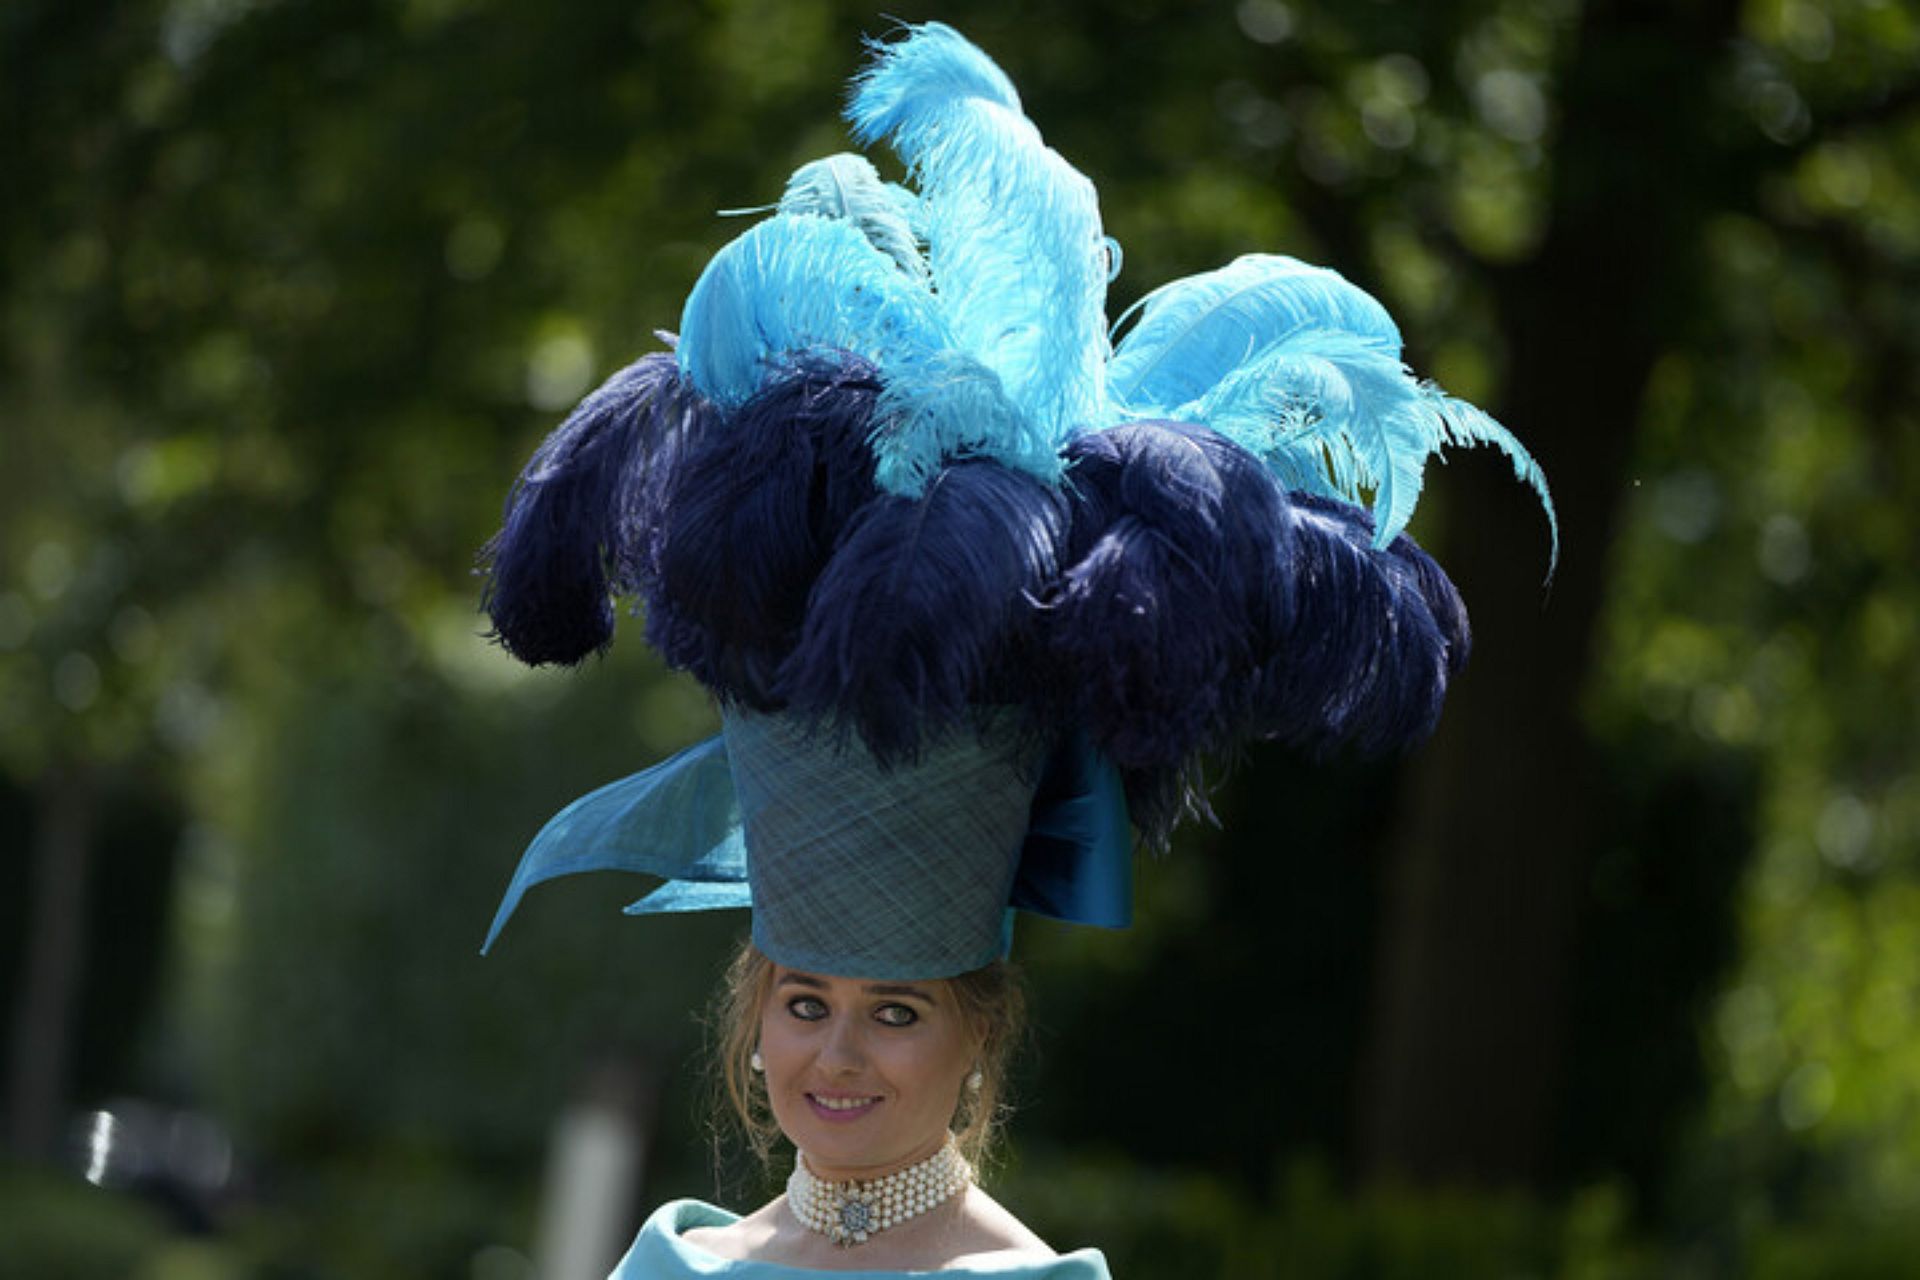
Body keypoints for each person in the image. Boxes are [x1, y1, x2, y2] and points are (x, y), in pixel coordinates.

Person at [479, 20, 1553, 1279]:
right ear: (751, 1021)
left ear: (978, 1037)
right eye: (807, 1001)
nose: (837, 1052)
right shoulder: (668, 1264)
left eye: (897, 1010)